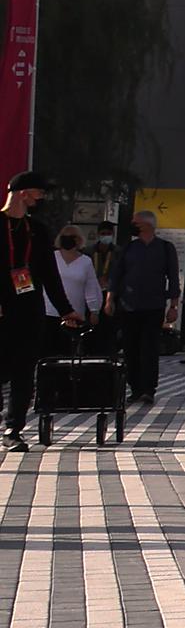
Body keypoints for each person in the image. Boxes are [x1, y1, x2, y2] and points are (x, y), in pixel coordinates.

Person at [3, 174, 56, 450]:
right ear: (23, 193)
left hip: (29, 311)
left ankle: (13, 429)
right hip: (1, 311)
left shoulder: (38, 230)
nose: (42, 198)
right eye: (39, 192)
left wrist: (67, 310)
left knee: (24, 372)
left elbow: (50, 274)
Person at [109, 211, 179, 402]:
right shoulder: (129, 248)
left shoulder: (165, 248)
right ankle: (135, 388)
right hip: (128, 305)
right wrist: (109, 299)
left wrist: (173, 306)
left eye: (136, 222)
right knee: (130, 348)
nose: (132, 225)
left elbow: (173, 277)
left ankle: (149, 388)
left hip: (154, 305)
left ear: (147, 225)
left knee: (149, 348)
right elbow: (116, 274)